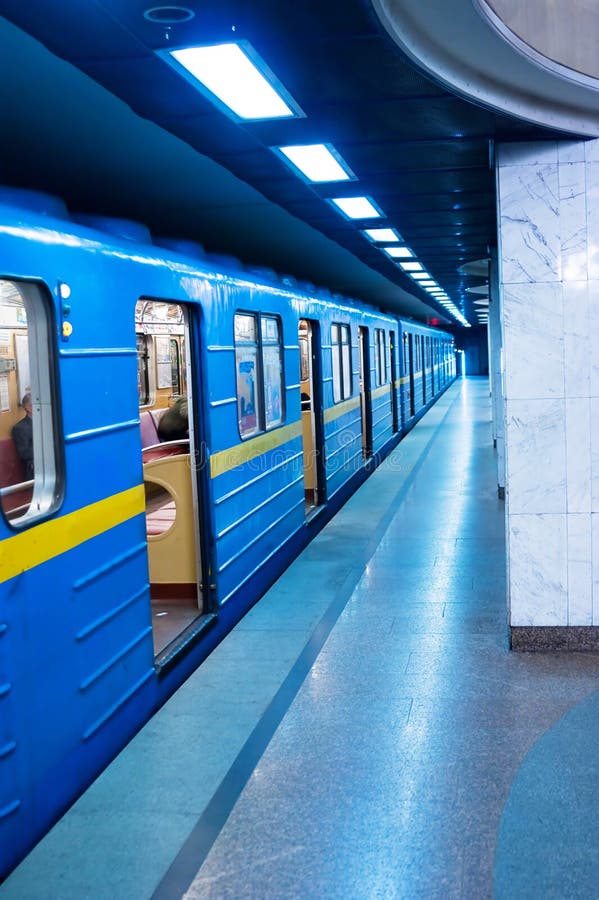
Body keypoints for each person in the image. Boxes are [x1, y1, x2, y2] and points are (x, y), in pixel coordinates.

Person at [12, 392, 34, 479]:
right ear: (29, 408)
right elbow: (24, 454)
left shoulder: (47, 422)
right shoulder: (20, 428)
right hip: (34, 468)